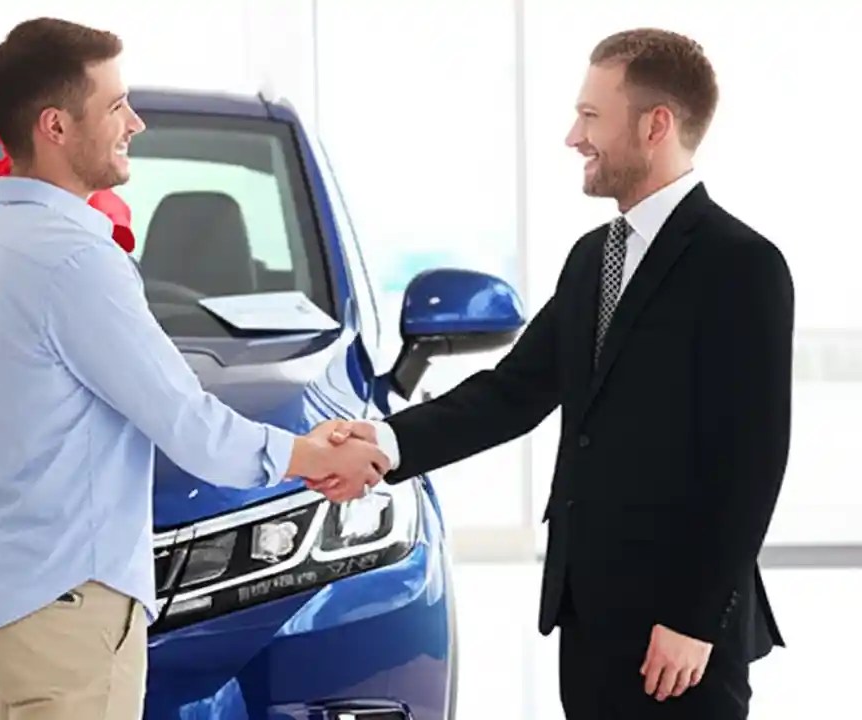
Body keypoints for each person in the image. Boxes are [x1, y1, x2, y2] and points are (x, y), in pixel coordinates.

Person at [324, 27, 793, 720]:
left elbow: (752, 460)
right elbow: (513, 394)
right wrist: (385, 443)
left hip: (682, 632)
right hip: (590, 614)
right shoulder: (593, 257)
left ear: (655, 124)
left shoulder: (741, 265)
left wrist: (694, 620)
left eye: (591, 116)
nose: (573, 136)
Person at [0, 17, 390, 720]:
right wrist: (309, 453)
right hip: (70, 604)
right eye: (116, 105)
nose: (136, 123)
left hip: (8, 597)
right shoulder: (74, 260)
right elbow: (185, 421)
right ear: (56, 126)